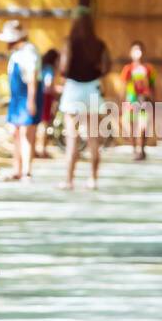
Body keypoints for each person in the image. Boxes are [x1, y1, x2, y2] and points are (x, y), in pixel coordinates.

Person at [59, 10, 109, 190]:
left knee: (72, 138)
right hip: (92, 89)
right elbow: (106, 67)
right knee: (93, 137)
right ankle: (93, 179)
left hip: (73, 89)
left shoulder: (69, 42)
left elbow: (64, 66)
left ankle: (69, 180)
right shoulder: (99, 44)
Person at [0, 19, 43, 182]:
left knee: (26, 134)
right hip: (17, 98)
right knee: (16, 133)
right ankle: (16, 169)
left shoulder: (29, 51)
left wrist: (31, 101)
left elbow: (32, 78)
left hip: (27, 96)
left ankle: (27, 171)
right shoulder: (16, 53)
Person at [120, 40, 156, 162]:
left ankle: (141, 148)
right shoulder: (128, 69)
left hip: (144, 101)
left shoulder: (149, 69)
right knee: (131, 127)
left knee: (143, 126)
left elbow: (152, 86)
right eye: (135, 50)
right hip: (131, 100)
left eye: (139, 49)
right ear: (130, 53)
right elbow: (123, 87)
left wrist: (154, 100)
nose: (138, 52)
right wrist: (121, 103)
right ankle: (135, 148)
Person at [36, 48, 61, 158]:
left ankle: (38, 148)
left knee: (40, 123)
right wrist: (57, 90)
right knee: (44, 123)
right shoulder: (49, 69)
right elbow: (48, 85)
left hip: (39, 96)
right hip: (46, 97)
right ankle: (41, 148)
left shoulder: (42, 68)